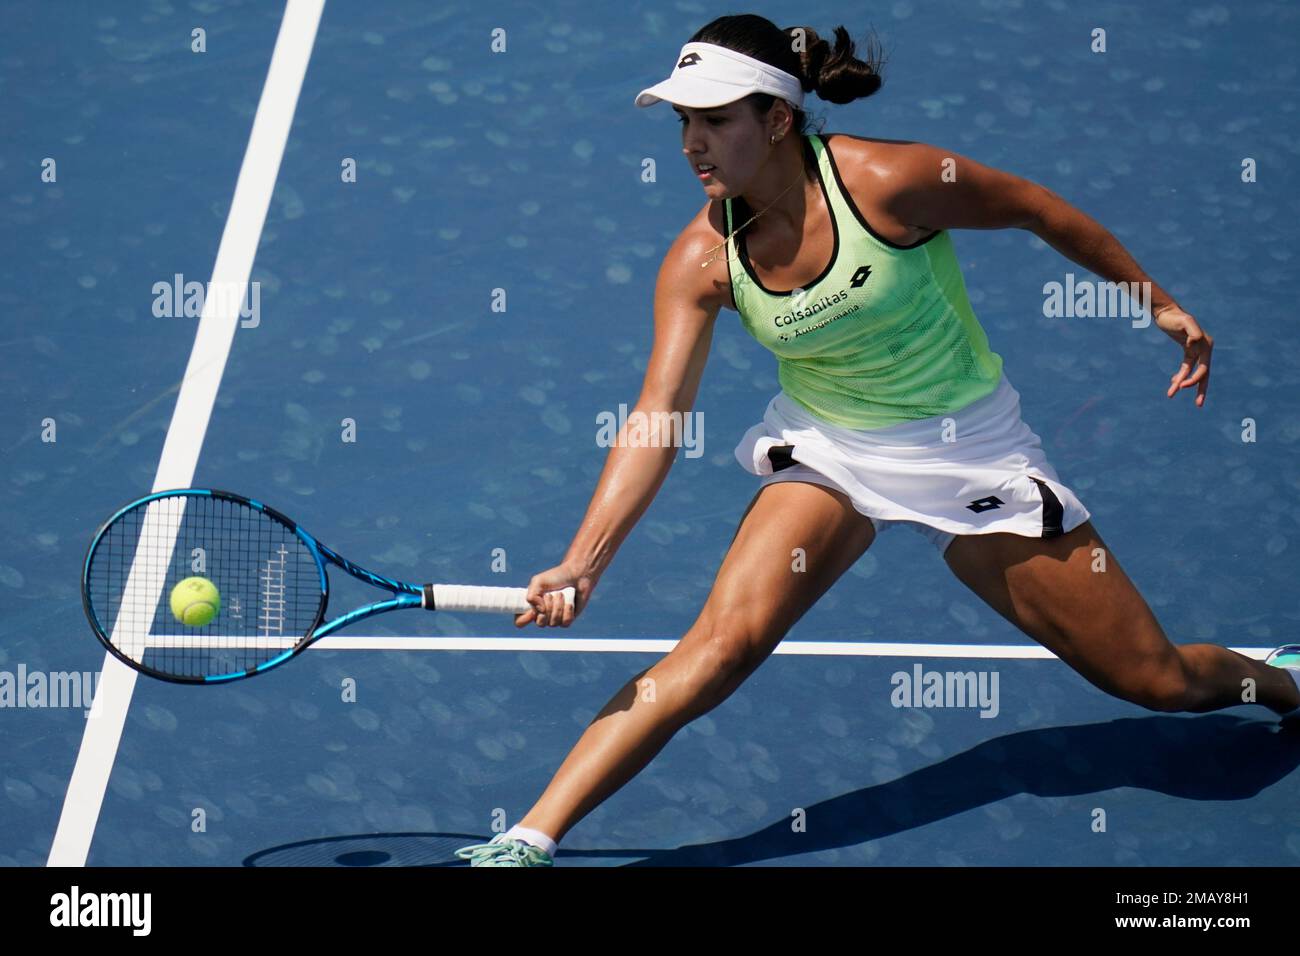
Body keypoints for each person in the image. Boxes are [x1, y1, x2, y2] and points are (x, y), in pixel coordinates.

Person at [455, 14, 1300, 867]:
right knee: (719, 648)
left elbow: (1037, 210)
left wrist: (1154, 302)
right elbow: (656, 417)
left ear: (778, 119)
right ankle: (529, 838)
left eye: (714, 121)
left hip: (973, 454)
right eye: (682, 122)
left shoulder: (891, 182)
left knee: (1154, 680)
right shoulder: (700, 261)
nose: (691, 144)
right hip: (829, 451)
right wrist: (584, 559)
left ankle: (1282, 678)